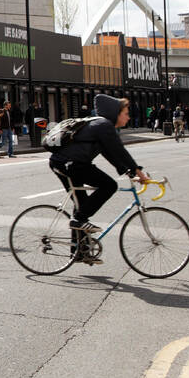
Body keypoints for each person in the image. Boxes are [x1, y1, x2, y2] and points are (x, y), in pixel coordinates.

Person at [49, 94, 149, 264]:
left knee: (82, 206)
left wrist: (128, 172)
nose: (128, 116)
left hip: (65, 163)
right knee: (109, 186)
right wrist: (138, 171)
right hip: (70, 164)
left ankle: (79, 252)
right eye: (125, 113)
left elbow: (110, 153)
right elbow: (120, 150)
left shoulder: (100, 125)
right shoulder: (104, 125)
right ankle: (79, 221)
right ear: (115, 113)